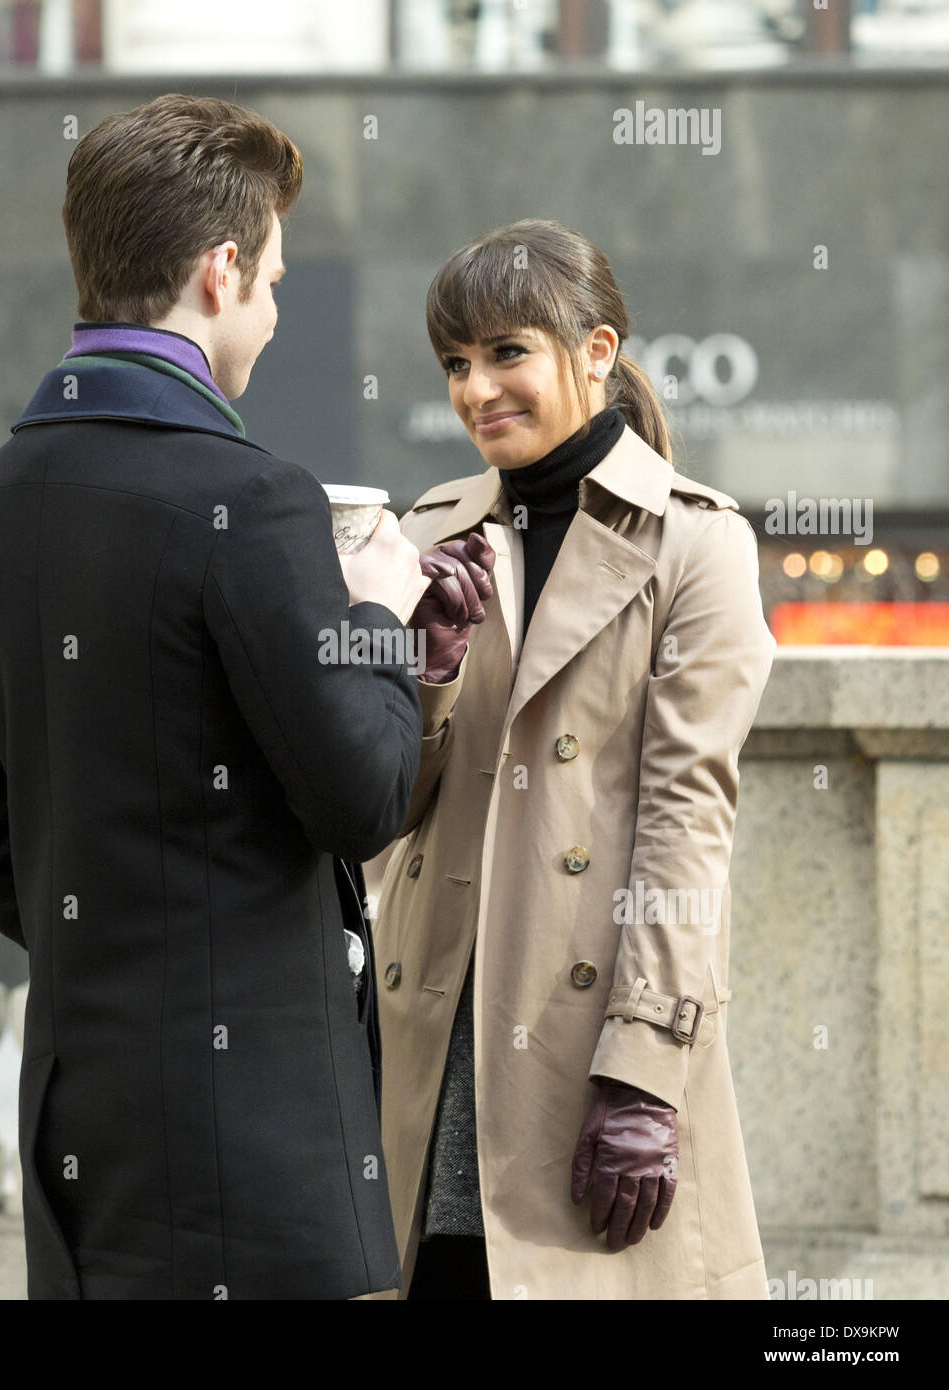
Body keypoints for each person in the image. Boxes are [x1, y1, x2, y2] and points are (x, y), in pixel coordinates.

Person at [0, 93, 429, 1301]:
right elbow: (363, 795)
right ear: (219, 269)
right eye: (276, 281)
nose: (277, 314)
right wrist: (377, 618)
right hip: (253, 1146)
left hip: (79, 1115)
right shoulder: (255, 498)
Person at [372, 219, 776, 1300]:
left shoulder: (694, 543)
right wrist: (425, 673)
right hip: (425, 1031)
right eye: (454, 363)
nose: (474, 389)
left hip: (582, 1045)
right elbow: (377, 810)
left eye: (506, 353)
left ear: (594, 351)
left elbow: (686, 822)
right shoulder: (422, 537)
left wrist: (644, 1073)